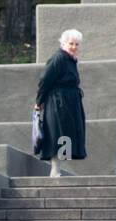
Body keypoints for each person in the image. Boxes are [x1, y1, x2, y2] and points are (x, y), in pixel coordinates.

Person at [35, 29, 87, 177]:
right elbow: (45, 81)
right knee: (58, 133)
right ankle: (55, 170)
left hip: (68, 101)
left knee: (66, 133)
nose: (74, 47)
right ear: (63, 43)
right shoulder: (58, 58)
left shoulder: (70, 60)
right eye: (71, 44)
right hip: (58, 101)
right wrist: (39, 101)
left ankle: (58, 168)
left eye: (77, 44)